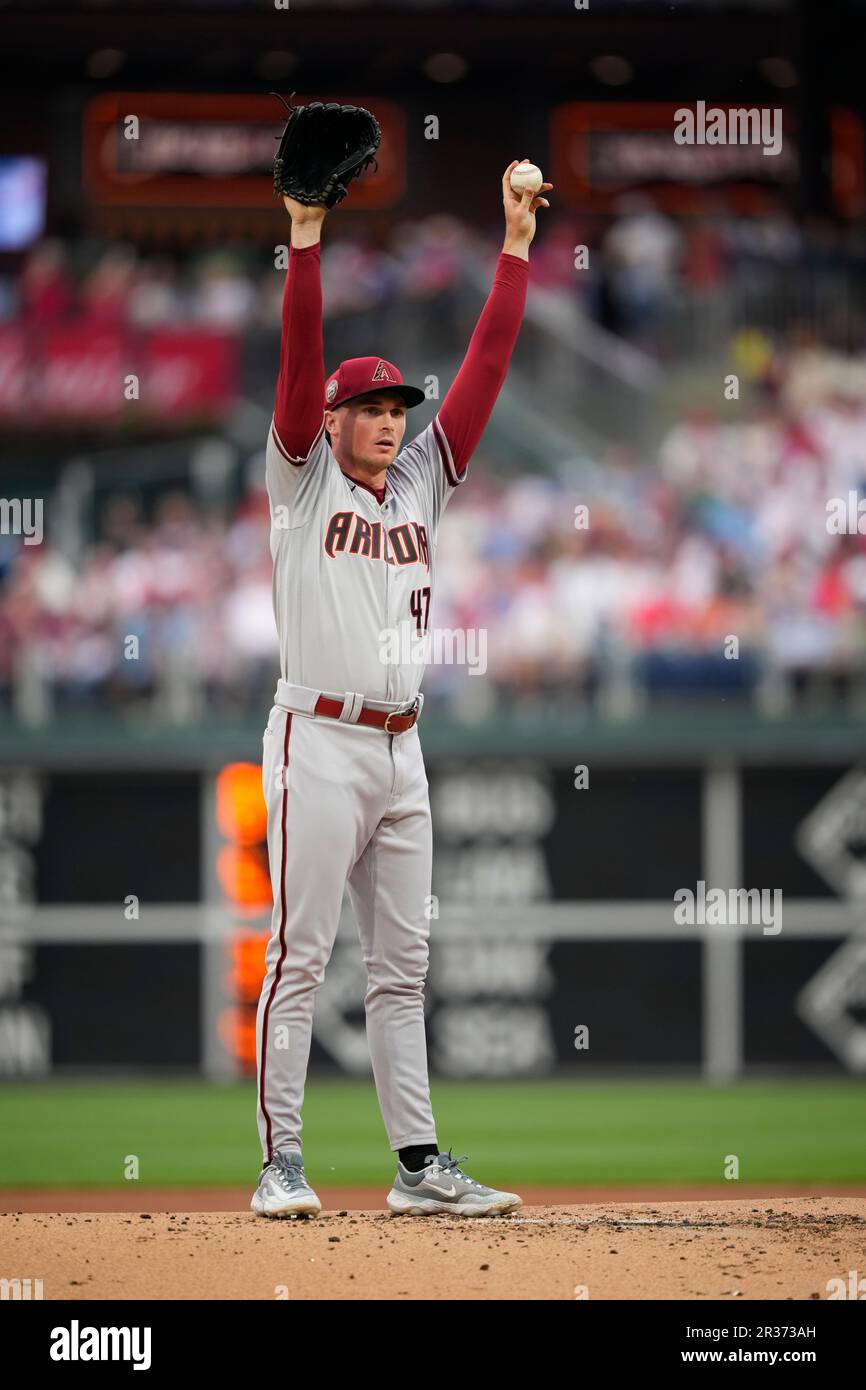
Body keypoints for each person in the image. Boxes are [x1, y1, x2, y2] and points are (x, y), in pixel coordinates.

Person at [252, 160, 552, 1219]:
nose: (388, 420)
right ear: (331, 422)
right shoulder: (303, 474)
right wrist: (305, 236)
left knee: (401, 968)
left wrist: (512, 245)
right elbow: (298, 364)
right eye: (368, 407)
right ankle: (280, 1161)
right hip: (317, 739)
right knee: (299, 954)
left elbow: (486, 362)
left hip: (401, 746)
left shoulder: (422, 478)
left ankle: (417, 1164)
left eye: (394, 407)